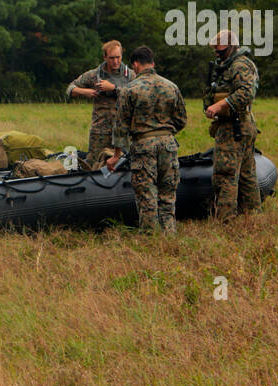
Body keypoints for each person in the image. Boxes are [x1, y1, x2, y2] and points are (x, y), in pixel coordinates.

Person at [106, 46, 187, 233]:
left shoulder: (129, 89)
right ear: (153, 63)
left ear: (135, 65)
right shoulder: (171, 86)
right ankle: (168, 235)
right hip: (168, 144)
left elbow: (120, 127)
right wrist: (165, 132)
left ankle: (151, 239)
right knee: (167, 196)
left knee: (147, 196)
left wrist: (116, 156)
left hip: (143, 146)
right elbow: (182, 119)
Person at [204, 29, 261, 221]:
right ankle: (251, 215)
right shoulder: (225, 66)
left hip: (235, 127)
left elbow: (245, 93)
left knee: (225, 174)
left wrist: (220, 105)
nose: (217, 54)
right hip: (238, 126)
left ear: (232, 47)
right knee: (247, 174)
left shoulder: (240, 65)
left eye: (220, 51)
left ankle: (225, 220)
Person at [67, 40, 134, 168]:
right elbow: (70, 89)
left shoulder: (130, 76)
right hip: (100, 132)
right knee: (94, 164)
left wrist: (113, 88)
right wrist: (84, 92)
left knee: (123, 164)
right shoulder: (94, 75)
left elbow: (136, 96)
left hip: (123, 131)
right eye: (112, 58)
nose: (115, 61)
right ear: (105, 57)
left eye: (118, 57)